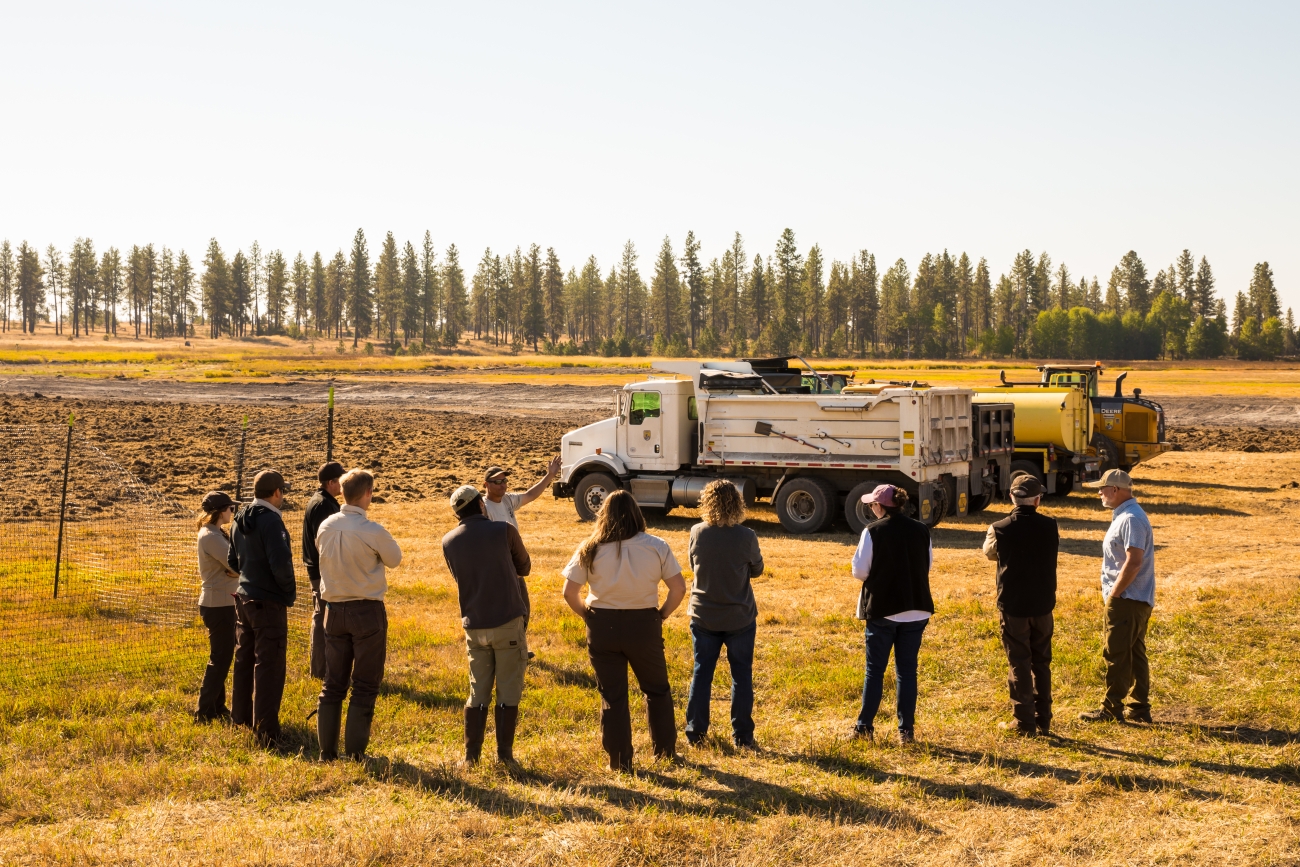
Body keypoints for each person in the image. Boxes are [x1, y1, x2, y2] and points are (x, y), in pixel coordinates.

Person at [562, 490, 687, 771]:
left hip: (602, 625)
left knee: (613, 695)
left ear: (603, 515)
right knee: (657, 689)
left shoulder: (589, 547)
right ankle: (665, 751)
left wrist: (587, 615)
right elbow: (678, 588)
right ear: (636, 513)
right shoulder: (657, 545)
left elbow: (569, 592)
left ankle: (619, 761)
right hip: (644, 623)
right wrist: (661, 615)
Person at [441, 484, 533, 765]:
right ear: (481, 504)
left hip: (474, 624)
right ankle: (504, 756)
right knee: (508, 689)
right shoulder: (504, 530)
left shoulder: (449, 541)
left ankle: (471, 757)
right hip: (507, 620)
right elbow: (524, 568)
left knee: (477, 690)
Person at [314, 469, 402, 761]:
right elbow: (395, 559)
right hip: (366, 611)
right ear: (368, 494)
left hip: (333, 610)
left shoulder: (326, 525)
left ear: (341, 492)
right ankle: (355, 753)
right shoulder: (373, 530)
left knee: (332, 683)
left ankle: (327, 751)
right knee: (364, 684)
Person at [849, 484, 933, 744]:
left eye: (872, 504)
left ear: (879, 506)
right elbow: (927, 565)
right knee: (907, 672)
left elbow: (859, 571)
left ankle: (864, 728)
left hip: (884, 609)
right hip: (917, 609)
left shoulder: (872, 531)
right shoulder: (921, 530)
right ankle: (906, 732)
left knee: (875, 671)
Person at [684, 479, 764, 749]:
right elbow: (757, 569)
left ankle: (695, 733)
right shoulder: (747, 536)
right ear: (737, 503)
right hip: (739, 616)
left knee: (701, 674)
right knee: (741, 676)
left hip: (703, 614)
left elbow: (692, 564)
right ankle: (742, 736)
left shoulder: (697, 532)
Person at [982, 473, 1059, 736]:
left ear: (1012, 497)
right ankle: (1043, 719)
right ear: (1038, 500)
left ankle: (1024, 721)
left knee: (1019, 661)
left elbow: (990, 553)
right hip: (1043, 605)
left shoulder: (999, 528)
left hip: (1014, 605)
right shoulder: (1051, 525)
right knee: (1041, 661)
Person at [1081, 469, 1157, 724]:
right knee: (1134, 653)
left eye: (1102, 488)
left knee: (1117, 654)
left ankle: (1111, 709)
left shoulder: (1131, 519)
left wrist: (1115, 594)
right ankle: (1139, 707)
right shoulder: (1126, 516)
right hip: (1132, 598)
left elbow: (1134, 562)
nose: (1099, 493)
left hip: (1127, 599)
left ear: (1115, 489)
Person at [228, 470, 296, 748]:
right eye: (283, 491)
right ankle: (267, 732)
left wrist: (250, 574)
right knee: (269, 666)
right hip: (268, 603)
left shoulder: (239, 519)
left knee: (244, 660)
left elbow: (233, 560)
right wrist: (287, 592)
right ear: (276, 492)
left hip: (243, 598)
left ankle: (240, 719)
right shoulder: (271, 522)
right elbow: (281, 565)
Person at [195, 490, 239, 722]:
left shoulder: (214, 532)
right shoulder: (211, 536)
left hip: (222, 601)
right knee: (220, 659)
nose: (233, 511)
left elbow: (233, 566)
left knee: (221, 657)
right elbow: (237, 564)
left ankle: (216, 707)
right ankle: (204, 712)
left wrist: (233, 570)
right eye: (231, 508)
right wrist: (234, 569)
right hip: (219, 604)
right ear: (221, 511)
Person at [302, 461, 345, 680]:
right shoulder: (323, 506)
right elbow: (322, 542)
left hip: (320, 569)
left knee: (322, 616)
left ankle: (323, 668)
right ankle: (320, 670)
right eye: (341, 481)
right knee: (321, 618)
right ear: (331, 482)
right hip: (322, 571)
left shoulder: (322, 501)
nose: (344, 486)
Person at [482, 456, 561, 529]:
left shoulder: (507, 499)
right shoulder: (483, 508)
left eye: (504, 481)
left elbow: (530, 495)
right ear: (487, 485)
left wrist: (550, 475)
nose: (503, 485)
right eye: (498, 482)